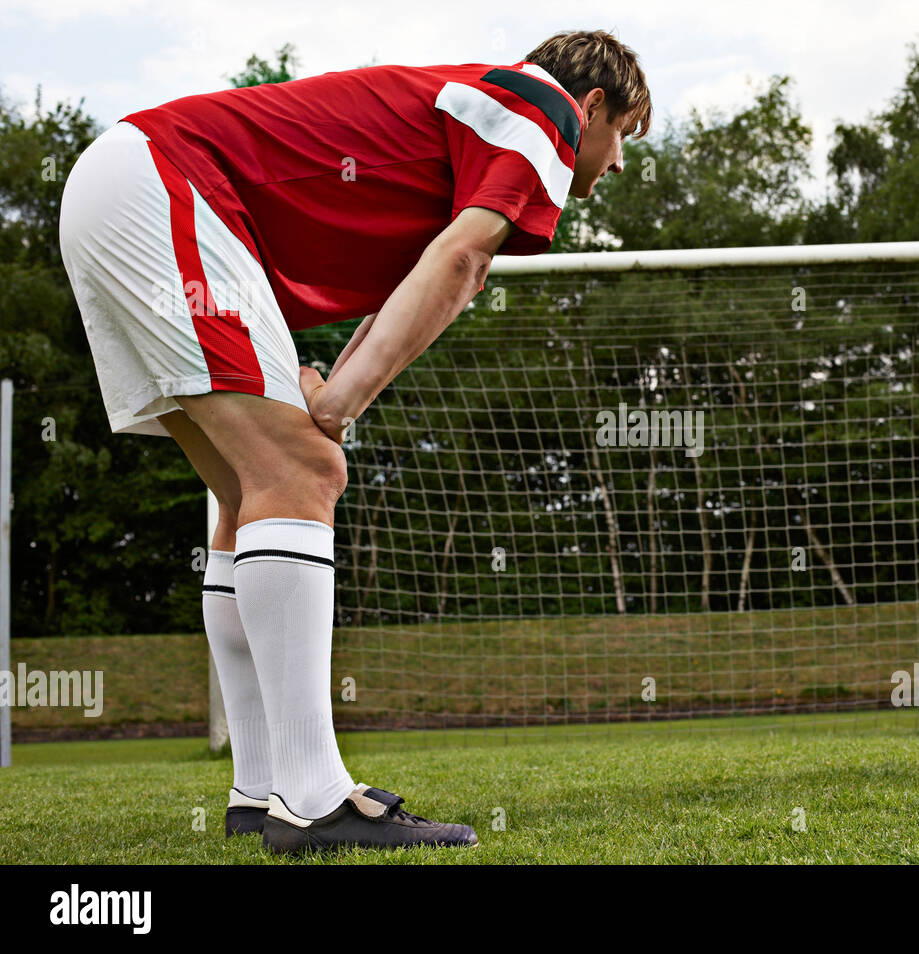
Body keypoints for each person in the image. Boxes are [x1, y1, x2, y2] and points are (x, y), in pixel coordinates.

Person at [58, 29, 651, 854]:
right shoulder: (541, 107)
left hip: (131, 186)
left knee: (246, 494)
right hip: (164, 184)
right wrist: (332, 410)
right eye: (625, 135)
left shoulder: (471, 125)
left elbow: (427, 274)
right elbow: (463, 262)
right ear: (591, 107)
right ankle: (314, 799)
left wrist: (335, 390)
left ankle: (262, 788)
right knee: (303, 468)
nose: (618, 163)